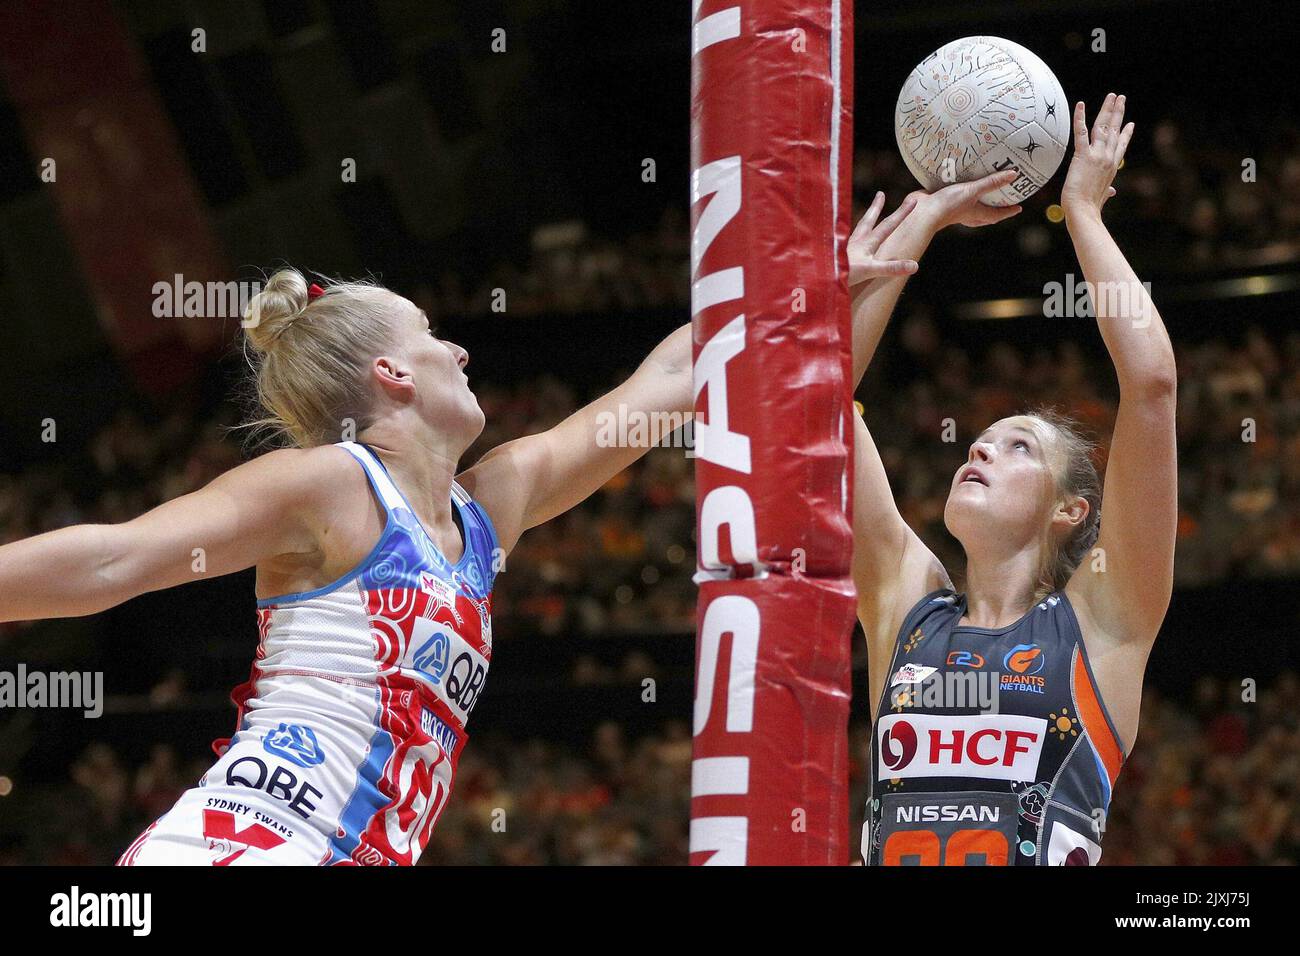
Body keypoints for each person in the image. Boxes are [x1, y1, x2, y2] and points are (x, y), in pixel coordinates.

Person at [0, 270, 699, 865]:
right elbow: (114, 559)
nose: (458, 350)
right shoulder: (332, 484)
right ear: (391, 373)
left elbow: (666, 380)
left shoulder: (489, 510)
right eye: (430, 334)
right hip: (253, 840)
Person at [848, 95, 1176, 865]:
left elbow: (1152, 384)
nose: (983, 450)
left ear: (1071, 508)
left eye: (1018, 446)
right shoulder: (906, 604)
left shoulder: (1104, 619)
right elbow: (824, 402)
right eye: (983, 442)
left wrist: (1084, 214)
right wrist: (920, 225)